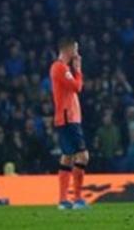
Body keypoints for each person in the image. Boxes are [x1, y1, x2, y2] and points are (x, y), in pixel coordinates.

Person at [50, 37, 90, 210]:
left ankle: (63, 200)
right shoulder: (60, 67)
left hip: (68, 117)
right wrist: (78, 70)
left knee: (68, 157)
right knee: (83, 156)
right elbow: (77, 87)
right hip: (68, 118)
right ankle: (78, 199)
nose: (77, 53)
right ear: (68, 49)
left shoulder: (61, 68)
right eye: (75, 49)